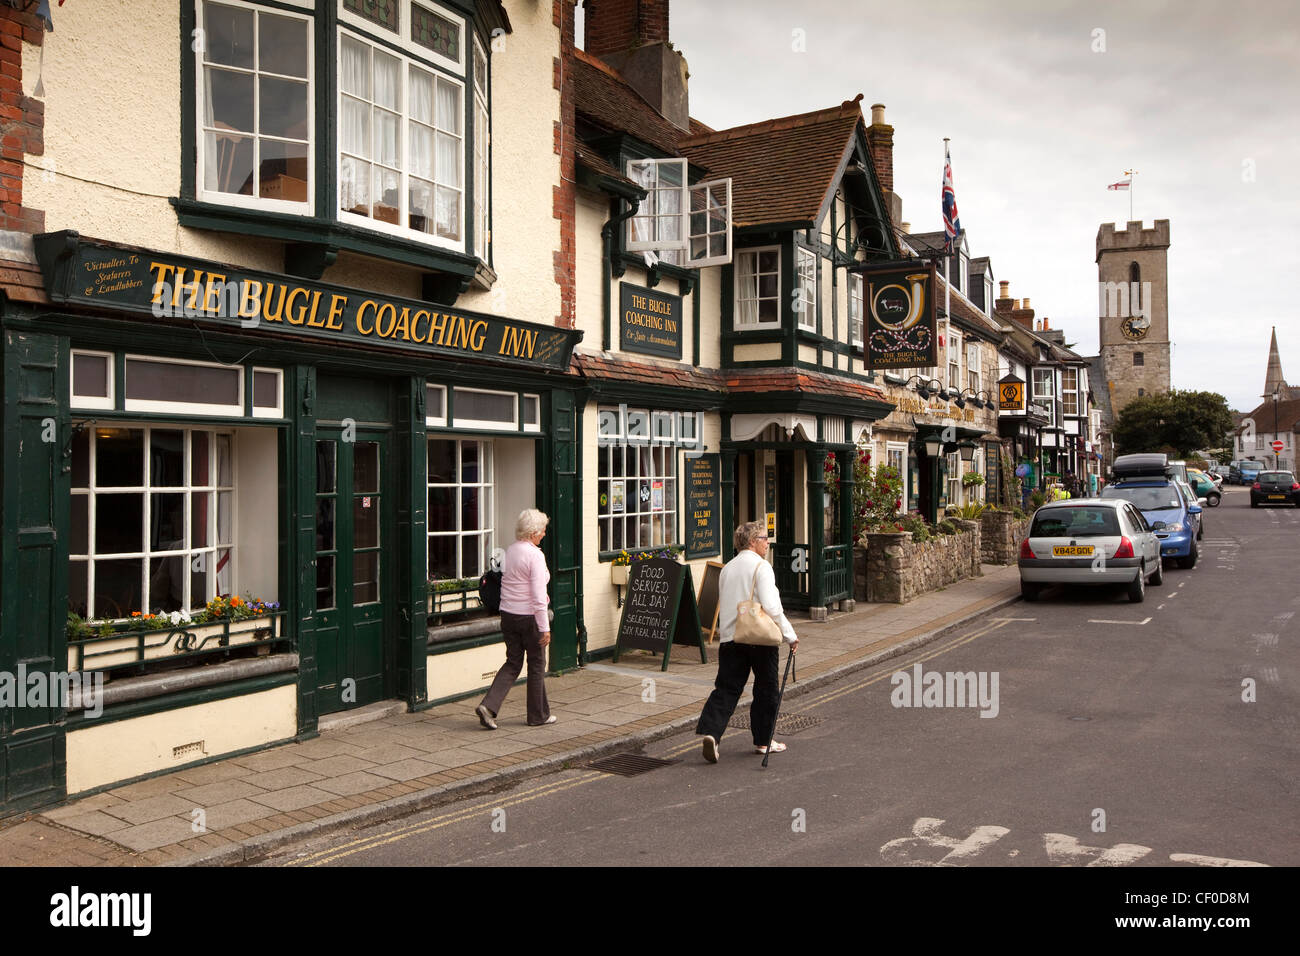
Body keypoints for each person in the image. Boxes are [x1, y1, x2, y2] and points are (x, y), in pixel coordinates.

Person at [695, 520, 798, 763]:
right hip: (759, 637)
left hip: (731, 638)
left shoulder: (727, 568)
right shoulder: (762, 567)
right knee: (766, 690)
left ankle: (712, 734)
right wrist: (790, 635)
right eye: (764, 538)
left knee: (726, 689)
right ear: (752, 541)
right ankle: (763, 741)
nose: (768, 543)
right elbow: (772, 607)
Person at [476, 509, 555, 729]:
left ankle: (488, 706)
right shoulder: (535, 556)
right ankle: (537, 716)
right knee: (537, 664)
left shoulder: (511, 550)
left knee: (513, 662)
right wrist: (545, 627)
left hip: (508, 615)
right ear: (534, 532)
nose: (544, 534)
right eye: (543, 531)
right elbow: (538, 596)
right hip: (529, 617)